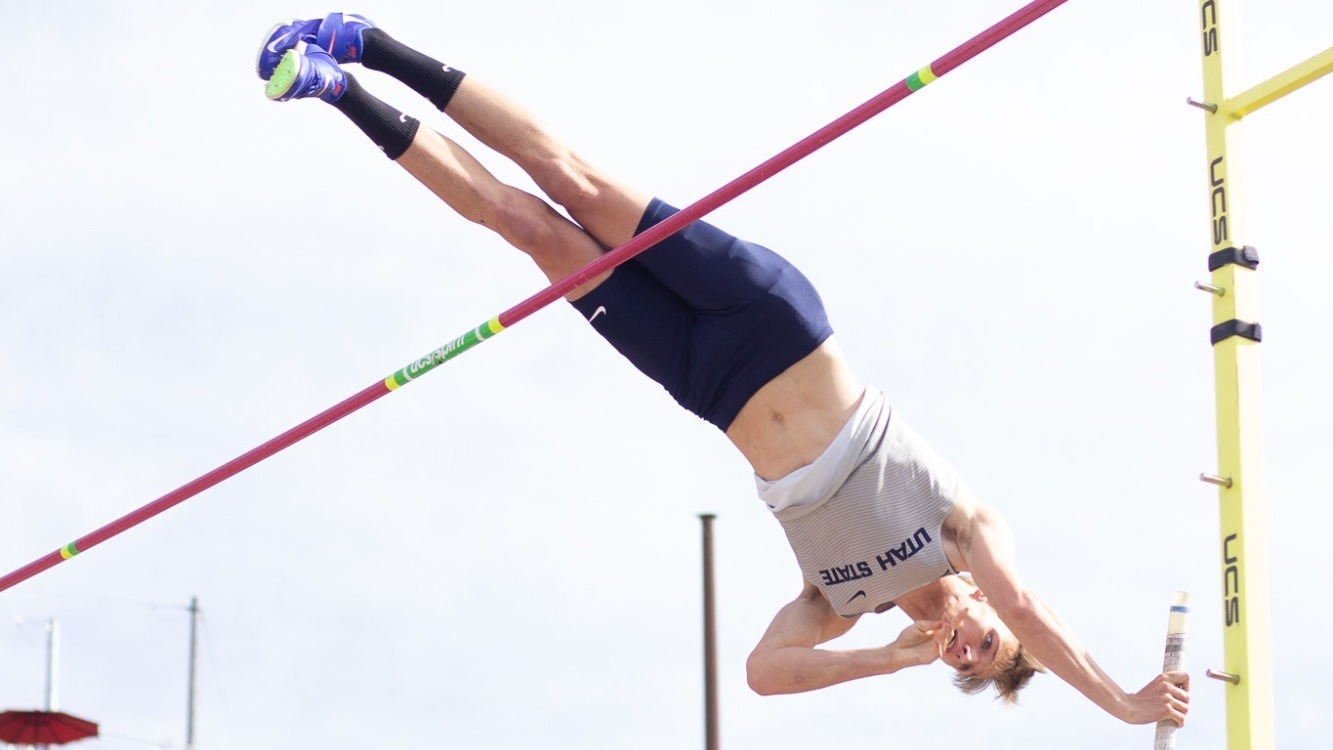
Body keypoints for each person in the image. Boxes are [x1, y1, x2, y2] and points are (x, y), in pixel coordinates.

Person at [256, 12, 1190, 724]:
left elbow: (759, 675)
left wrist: (892, 659)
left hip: (703, 382)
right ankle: (370, 41)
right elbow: (1028, 605)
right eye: (983, 640)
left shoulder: (839, 606)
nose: (963, 642)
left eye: (964, 662)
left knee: (530, 230)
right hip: (773, 321)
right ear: (987, 610)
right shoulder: (965, 534)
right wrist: (1118, 703)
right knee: (571, 180)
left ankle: (337, 90)